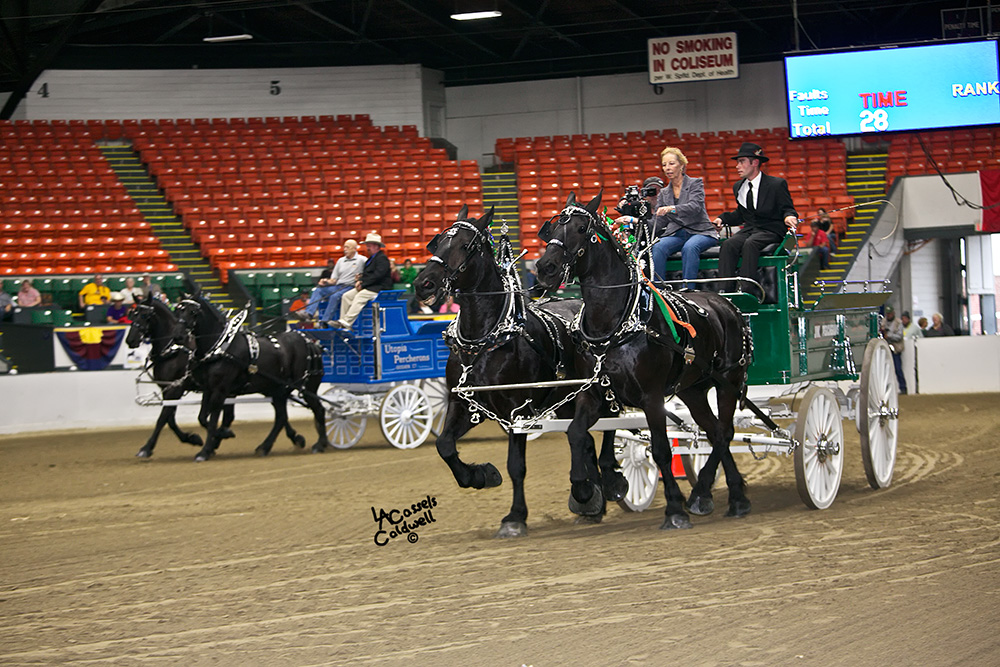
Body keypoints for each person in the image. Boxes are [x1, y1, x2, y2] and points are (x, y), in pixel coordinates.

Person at [714, 142, 799, 296]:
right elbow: (741, 214)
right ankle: (725, 291)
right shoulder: (739, 187)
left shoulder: (776, 184)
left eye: (741, 162)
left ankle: (747, 291)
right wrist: (722, 218)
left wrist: (789, 216)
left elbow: (788, 208)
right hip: (750, 229)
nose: (737, 166)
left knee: (750, 244)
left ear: (754, 162)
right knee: (728, 244)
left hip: (771, 229)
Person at [649, 146, 719, 285]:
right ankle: (658, 291)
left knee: (690, 247)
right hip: (677, 233)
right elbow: (659, 222)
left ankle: (688, 289)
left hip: (701, 231)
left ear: (681, 165)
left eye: (671, 163)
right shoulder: (664, 193)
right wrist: (634, 221)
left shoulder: (695, 183)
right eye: (664, 165)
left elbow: (695, 207)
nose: (667, 168)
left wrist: (672, 209)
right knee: (658, 247)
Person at [329, 232, 393, 330]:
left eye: (369, 245)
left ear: (376, 246)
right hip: (369, 286)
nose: (367, 248)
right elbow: (369, 275)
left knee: (360, 296)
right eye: (367, 245)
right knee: (346, 296)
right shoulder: (370, 259)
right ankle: (342, 321)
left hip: (379, 287)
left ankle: (347, 322)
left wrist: (363, 283)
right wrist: (360, 279)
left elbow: (378, 275)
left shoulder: (382, 258)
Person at [304, 239, 365, 323]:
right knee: (318, 290)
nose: (345, 249)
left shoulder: (362, 260)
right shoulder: (340, 261)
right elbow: (334, 279)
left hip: (350, 287)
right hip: (338, 286)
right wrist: (326, 281)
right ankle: (309, 313)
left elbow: (368, 274)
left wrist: (360, 278)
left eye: (347, 247)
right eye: (344, 247)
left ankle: (325, 320)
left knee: (335, 296)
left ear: (354, 248)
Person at [879, 305, 906, 394]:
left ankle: (903, 388)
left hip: (895, 349)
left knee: (898, 369)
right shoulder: (883, 322)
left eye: (890, 313)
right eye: (888, 314)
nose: (889, 315)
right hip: (885, 348)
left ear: (893, 313)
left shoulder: (898, 322)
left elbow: (899, 336)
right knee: (885, 370)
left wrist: (888, 335)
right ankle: (887, 389)